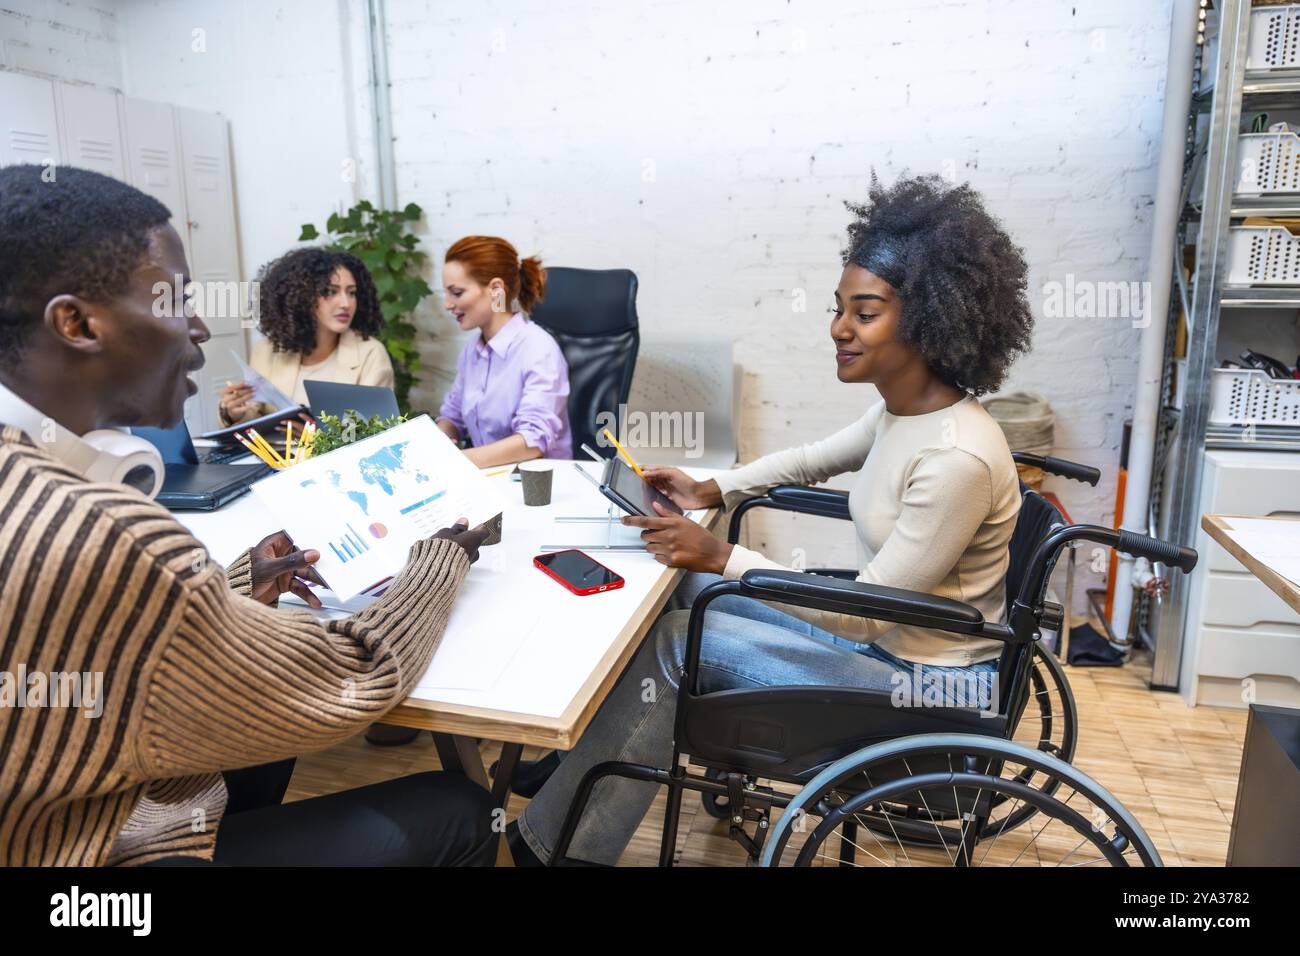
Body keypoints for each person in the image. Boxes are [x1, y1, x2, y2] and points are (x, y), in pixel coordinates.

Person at [507, 174, 1036, 866]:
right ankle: (576, 772)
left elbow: (863, 616)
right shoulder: (907, 413)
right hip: (889, 655)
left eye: (864, 313)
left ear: (929, 319)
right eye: (838, 308)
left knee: (676, 640)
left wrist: (720, 555)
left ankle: (556, 847)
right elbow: (812, 459)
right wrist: (710, 486)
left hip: (926, 687)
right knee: (687, 594)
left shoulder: (956, 457)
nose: (838, 329)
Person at [0, 164, 494, 866]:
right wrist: (438, 560)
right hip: (92, 867)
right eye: (176, 301)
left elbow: (81, 637)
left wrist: (226, 590)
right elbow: (352, 675)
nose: (197, 326)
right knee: (461, 809)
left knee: (254, 753)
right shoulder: (104, 530)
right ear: (77, 323)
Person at [218, 247, 395, 425]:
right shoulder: (267, 350)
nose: (345, 303)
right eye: (330, 292)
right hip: (272, 453)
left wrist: (317, 439)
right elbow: (255, 416)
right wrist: (234, 413)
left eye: (352, 293)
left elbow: (376, 432)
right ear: (301, 296)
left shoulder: (371, 353)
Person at [436, 236, 573, 467]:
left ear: (496, 290)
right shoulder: (471, 351)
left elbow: (532, 441)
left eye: (457, 293)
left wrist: (454, 462)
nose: (447, 304)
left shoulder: (538, 349)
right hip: (489, 478)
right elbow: (452, 416)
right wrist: (434, 445)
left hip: (538, 488)